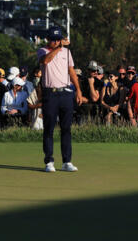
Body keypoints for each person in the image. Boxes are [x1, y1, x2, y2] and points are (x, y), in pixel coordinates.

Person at [38, 27, 83, 172]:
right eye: (53, 40)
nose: (56, 42)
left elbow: (71, 72)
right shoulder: (43, 51)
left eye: (58, 40)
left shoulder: (67, 52)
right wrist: (59, 48)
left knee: (66, 128)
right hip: (50, 94)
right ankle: (49, 161)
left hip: (66, 93)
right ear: (48, 40)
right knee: (49, 128)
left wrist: (79, 91)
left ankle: (66, 161)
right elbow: (45, 61)